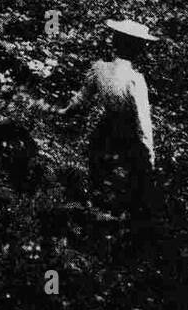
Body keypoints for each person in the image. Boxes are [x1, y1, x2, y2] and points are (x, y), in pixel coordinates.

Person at [62, 19, 158, 218]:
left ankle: (93, 209)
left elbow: (80, 98)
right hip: (127, 135)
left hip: (105, 129)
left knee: (98, 171)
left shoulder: (99, 69)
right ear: (137, 49)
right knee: (131, 184)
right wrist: (150, 155)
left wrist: (64, 110)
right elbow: (143, 121)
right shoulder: (135, 79)